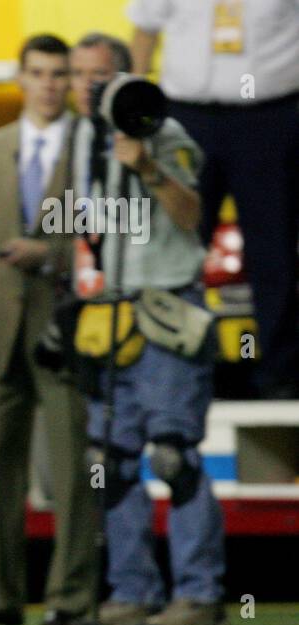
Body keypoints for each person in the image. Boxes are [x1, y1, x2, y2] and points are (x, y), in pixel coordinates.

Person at [69, 33, 226, 625]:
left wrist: (149, 166)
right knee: (109, 460)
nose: (88, 85)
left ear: (127, 78)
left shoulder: (167, 132)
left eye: (100, 75)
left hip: (166, 306)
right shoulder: (84, 136)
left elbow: (194, 218)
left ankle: (200, 595)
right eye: (80, 74)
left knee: (173, 455)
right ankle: (131, 592)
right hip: (111, 309)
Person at [0, 34, 100, 625]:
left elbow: (105, 241)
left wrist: (48, 253)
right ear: (19, 78)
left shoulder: (92, 148)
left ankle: (71, 601)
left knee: (70, 473)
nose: (47, 83)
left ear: (69, 81)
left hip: (65, 329)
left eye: (58, 74)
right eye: (37, 72)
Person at [129, 0, 299, 399]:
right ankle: (168, 366)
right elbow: (144, 30)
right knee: (177, 247)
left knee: (272, 249)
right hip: (187, 117)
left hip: (270, 117)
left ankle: (280, 374)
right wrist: (134, 111)